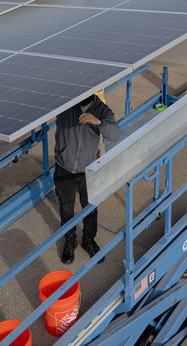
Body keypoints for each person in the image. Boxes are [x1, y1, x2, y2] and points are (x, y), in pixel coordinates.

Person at [54, 93, 122, 264]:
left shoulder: (102, 110)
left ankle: (88, 240)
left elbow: (116, 134)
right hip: (64, 167)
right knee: (66, 207)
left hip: (89, 169)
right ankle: (70, 240)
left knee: (90, 208)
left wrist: (99, 122)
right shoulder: (65, 103)